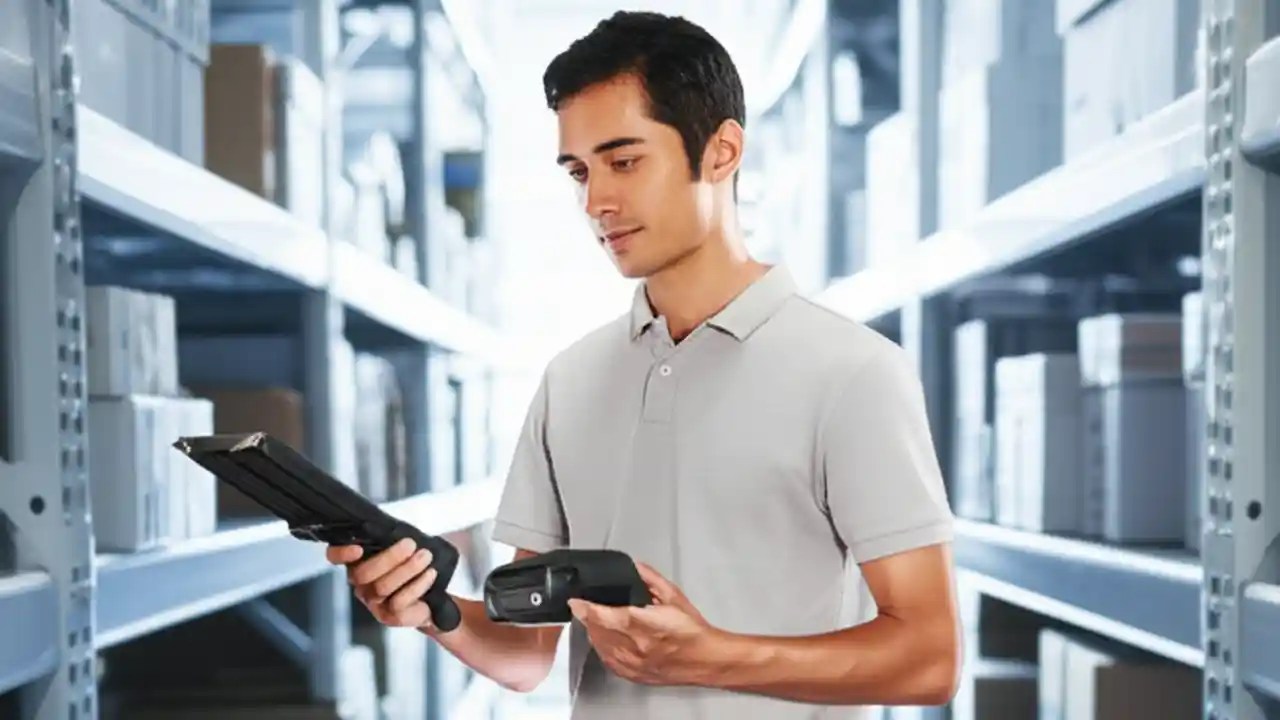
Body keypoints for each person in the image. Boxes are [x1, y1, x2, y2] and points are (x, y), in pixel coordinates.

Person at [326, 10, 961, 718]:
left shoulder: (854, 373)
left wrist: (711, 654)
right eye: (579, 171)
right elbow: (527, 655)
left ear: (720, 153)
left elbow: (930, 657)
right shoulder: (571, 381)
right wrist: (432, 610)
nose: (597, 201)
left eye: (624, 161)